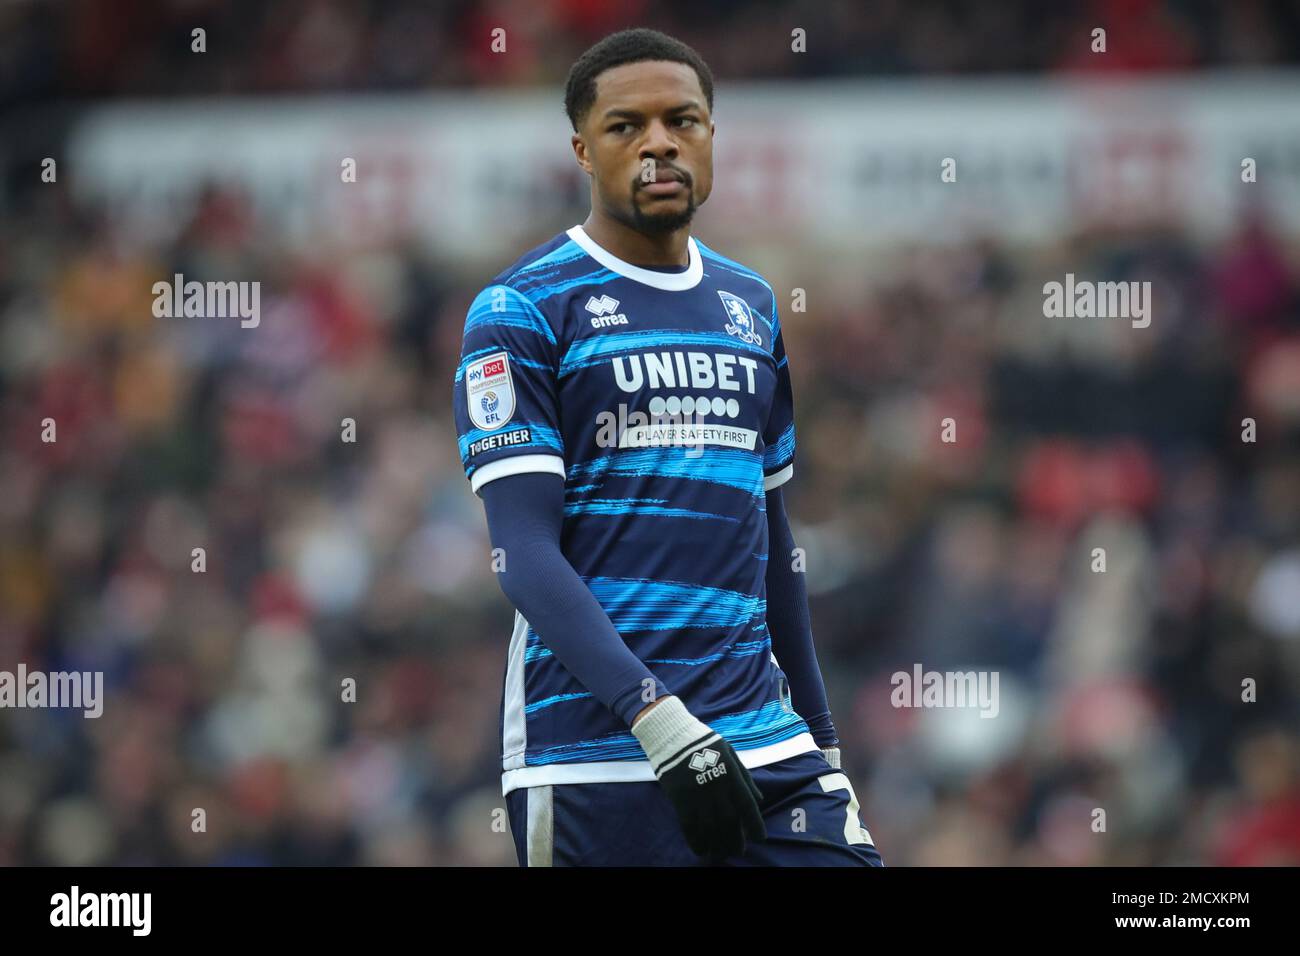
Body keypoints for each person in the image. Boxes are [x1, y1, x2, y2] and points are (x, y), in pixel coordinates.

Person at [452, 27, 881, 867]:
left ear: (711, 136)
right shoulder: (521, 309)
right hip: (596, 755)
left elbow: (773, 544)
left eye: (682, 120)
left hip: (766, 746)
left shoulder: (749, 306)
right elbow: (524, 552)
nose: (658, 143)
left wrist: (823, 744)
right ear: (583, 149)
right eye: (626, 126)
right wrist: (660, 718)